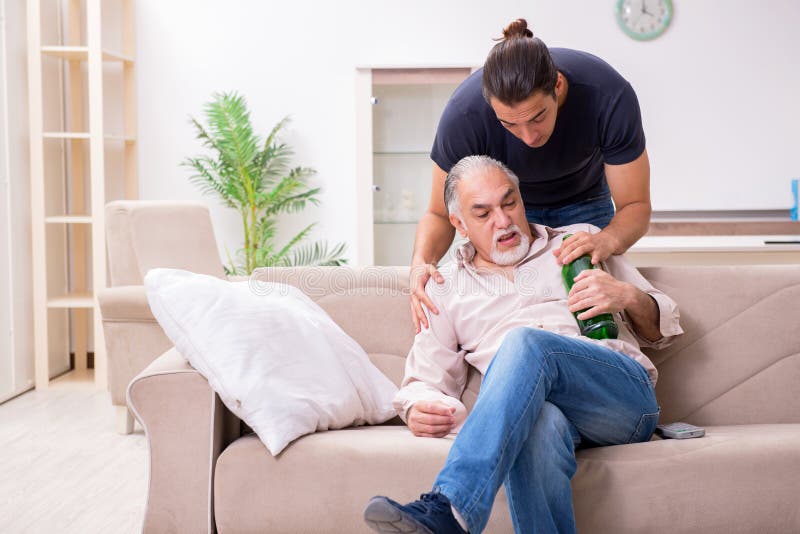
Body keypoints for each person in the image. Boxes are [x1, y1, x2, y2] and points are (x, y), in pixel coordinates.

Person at [364, 156, 683, 534]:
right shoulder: (445, 289)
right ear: (459, 225)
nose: (503, 221)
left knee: (527, 342)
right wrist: (418, 407)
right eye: (482, 214)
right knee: (539, 426)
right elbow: (424, 380)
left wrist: (628, 296)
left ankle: (452, 509)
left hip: (621, 400)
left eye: (509, 202)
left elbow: (663, 328)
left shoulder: (576, 243)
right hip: (545, 414)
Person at [410, 18, 652, 334]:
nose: (528, 136)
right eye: (510, 125)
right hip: (509, 207)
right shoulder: (464, 115)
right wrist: (419, 265)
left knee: (590, 307)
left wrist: (608, 238)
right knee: (515, 309)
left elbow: (635, 206)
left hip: (585, 200)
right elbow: (440, 214)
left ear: (558, 86)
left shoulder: (608, 96)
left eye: (537, 117)